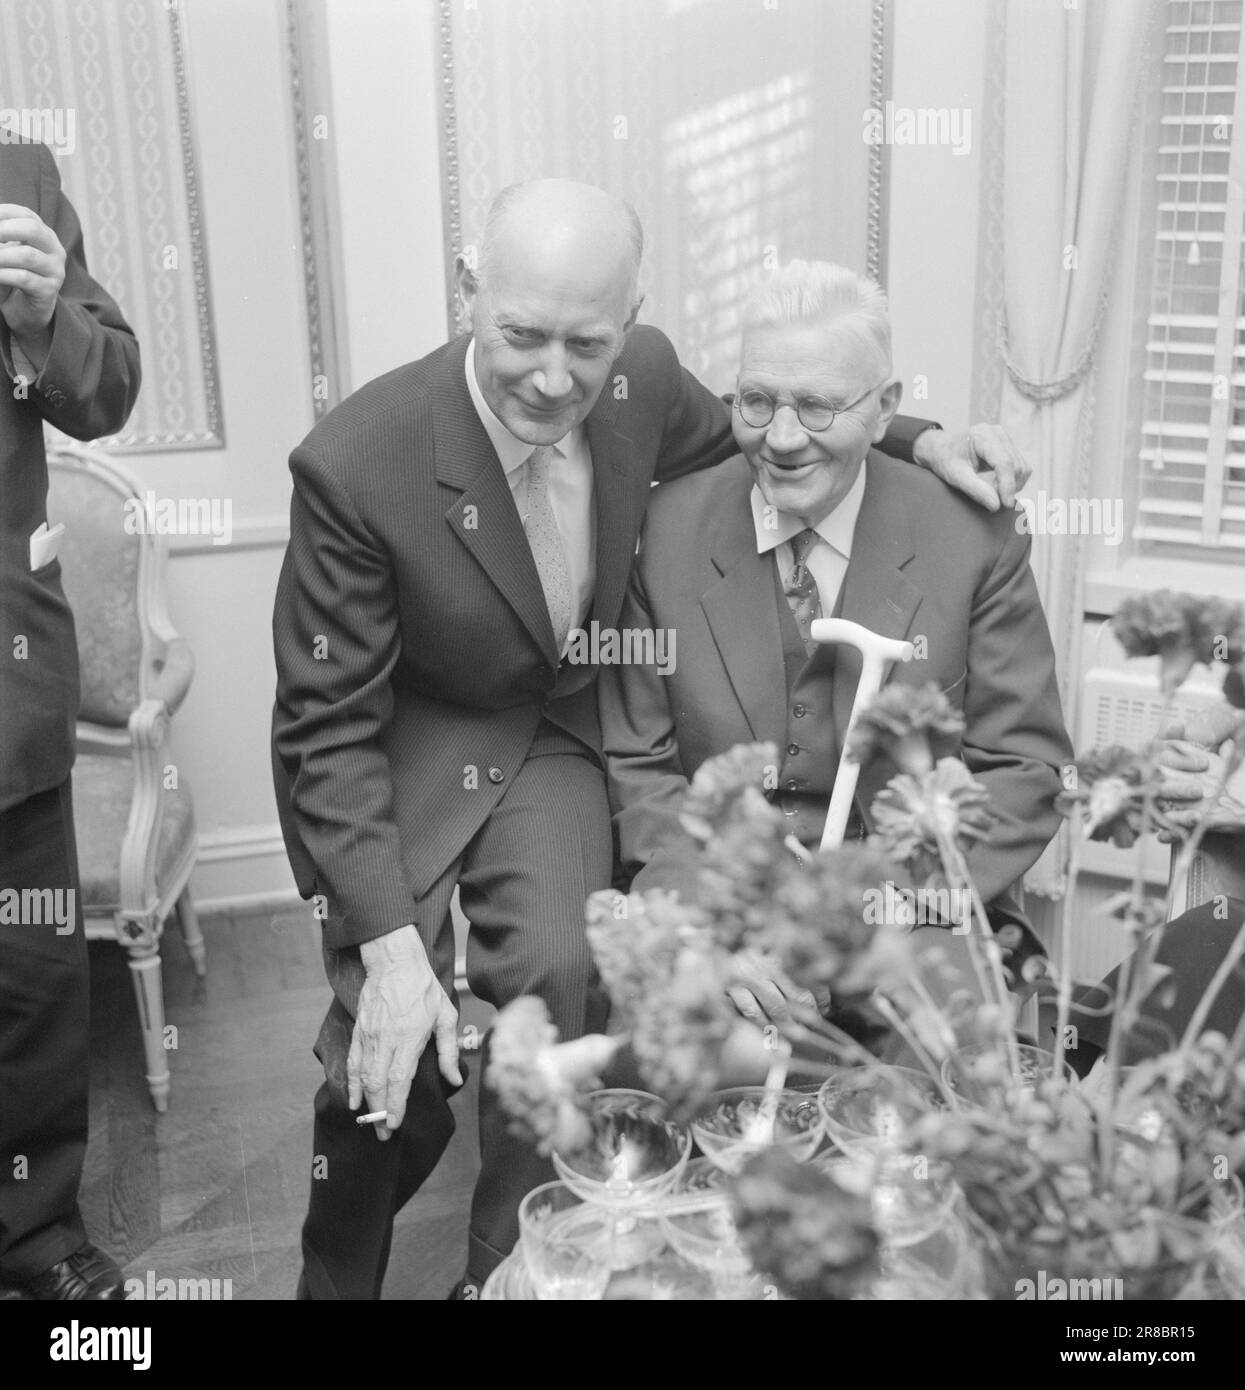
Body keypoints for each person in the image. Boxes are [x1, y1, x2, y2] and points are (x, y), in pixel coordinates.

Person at [271, 181, 1031, 1298]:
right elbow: (323, 724)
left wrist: (920, 437)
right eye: (520, 335)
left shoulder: (643, 378)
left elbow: (789, 422)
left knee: (559, 972)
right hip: (430, 741)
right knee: (388, 1046)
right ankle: (332, 1281)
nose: (551, 375)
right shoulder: (356, 458)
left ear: (630, 322)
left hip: (574, 725)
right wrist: (388, 947)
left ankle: (516, 1264)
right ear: (469, 292)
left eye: (586, 343)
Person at [599, 259, 1073, 1014]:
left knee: (937, 1091)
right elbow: (639, 766)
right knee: (682, 1074)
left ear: (884, 410)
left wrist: (874, 911)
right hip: (719, 915)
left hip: (912, 918)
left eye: (817, 408)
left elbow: (1023, 768)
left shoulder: (972, 537)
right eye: (756, 402)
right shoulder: (662, 533)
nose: (782, 438)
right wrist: (711, 921)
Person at [0, 139, 141, 1300]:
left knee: (32, 982)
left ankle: (38, 1237)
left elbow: (107, 393)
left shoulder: (19, 175)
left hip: (8, 689)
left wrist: (47, 321)